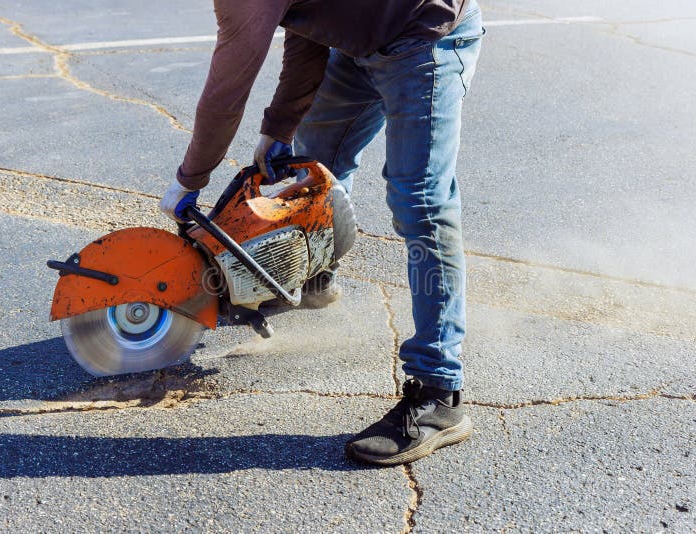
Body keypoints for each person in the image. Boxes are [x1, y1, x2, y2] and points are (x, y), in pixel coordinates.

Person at [161, 0, 484, 466]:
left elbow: (226, 93)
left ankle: (439, 392)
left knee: (420, 203)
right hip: (361, 40)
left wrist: (189, 181)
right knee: (317, 168)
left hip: (425, 35)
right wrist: (280, 126)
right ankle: (312, 278)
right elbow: (306, 25)